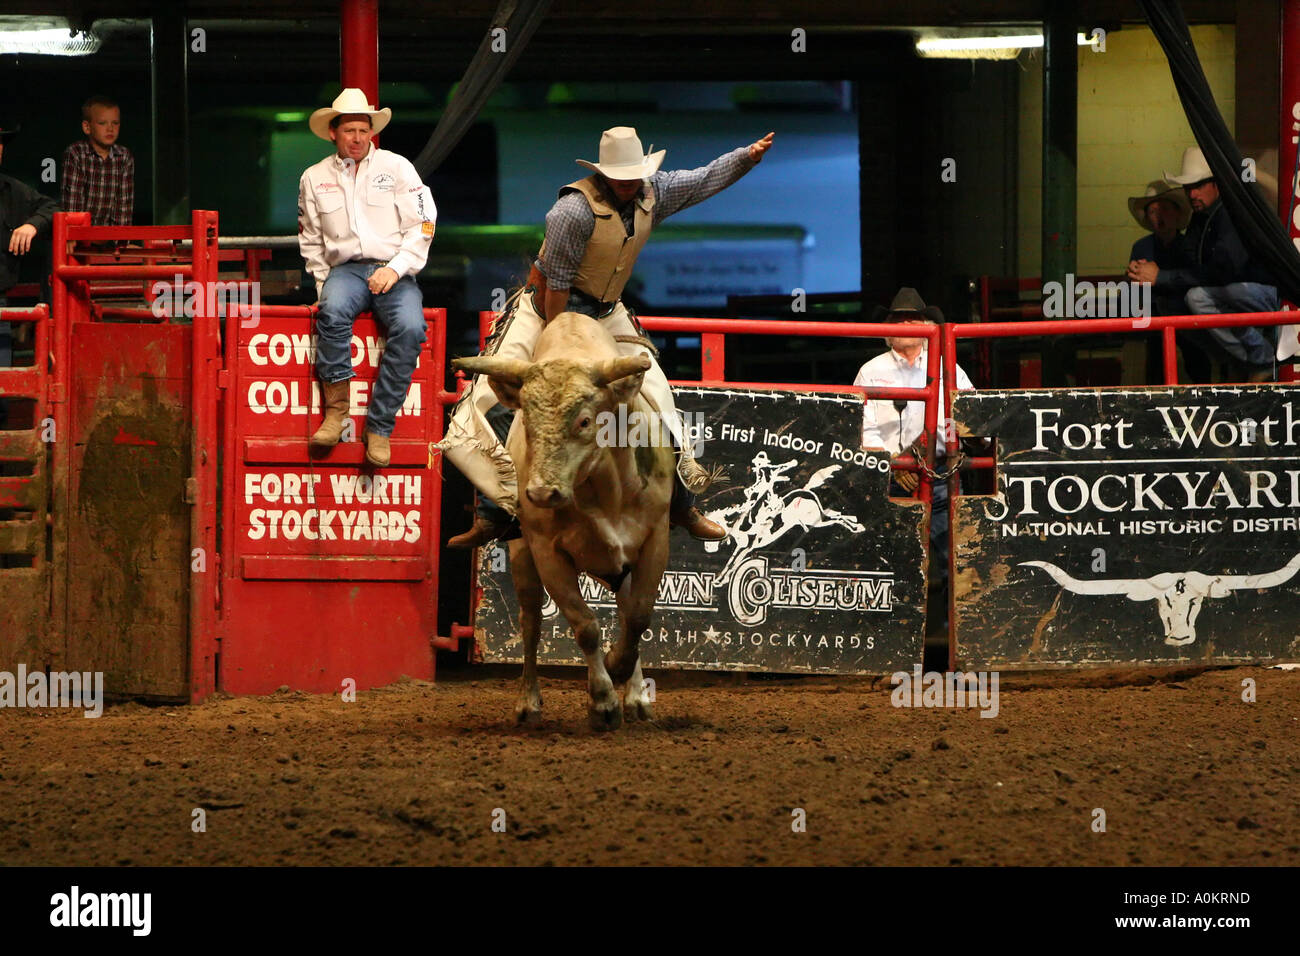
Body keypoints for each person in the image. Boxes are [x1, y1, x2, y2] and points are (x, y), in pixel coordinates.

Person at [442, 125, 774, 548]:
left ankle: (681, 504)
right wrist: (557, 346)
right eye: (620, 175)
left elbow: (704, 178)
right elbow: (555, 284)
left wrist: (746, 156)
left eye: (633, 174)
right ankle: (498, 512)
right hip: (548, 309)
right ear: (603, 174)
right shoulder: (571, 212)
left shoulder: (653, 193)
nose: (628, 182)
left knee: (658, 395)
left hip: (606, 310)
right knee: (488, 398)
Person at [296, 88, 436, 468]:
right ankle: (336, 412)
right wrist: (323, 284)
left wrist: (397, 267)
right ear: (333, 133)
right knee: (332, 311)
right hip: (346, 270)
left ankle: (379, 426)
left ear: (371, 132)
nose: (357, 138)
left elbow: (425, 222)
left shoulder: (397, 167)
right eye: (349, 131)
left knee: (410, 327)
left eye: (363, 130)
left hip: (395, 267)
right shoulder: (314, 177)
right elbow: (310, 237)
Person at [854, 288, 973, 631]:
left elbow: (967, 416)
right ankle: (894, 636)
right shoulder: (871, 371)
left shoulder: (947, 368)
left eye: (913, 317)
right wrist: (894, 463)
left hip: (938, 475)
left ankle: (951, 635)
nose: (906, 322)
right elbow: (864, 429)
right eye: (898, 317)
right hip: (888, 478)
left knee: (953, 552)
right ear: (887, 328)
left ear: (926, 325)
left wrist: (926, 449)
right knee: (889, 558)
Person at [1127, 147, 1279, 381]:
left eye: (1198, 186)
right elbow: (1192, 263)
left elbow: (1226, 271)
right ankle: (1248, 360)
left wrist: (1161, 277)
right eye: (1188, 188)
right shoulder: (1198, 221)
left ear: (1216, 185)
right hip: (1232, 297)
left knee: (1204, 296)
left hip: (1262, 293)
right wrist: (1144, 274)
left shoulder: (1231, 212)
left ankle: (1262, 359)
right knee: (1178, 307)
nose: (1192, 194)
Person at [1125, 179, 1210, 382]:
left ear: (1177, 213)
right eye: (1153, 212)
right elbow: (1132, 292)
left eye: (1164, 209)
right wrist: (1132, 275)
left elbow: (1198, 279)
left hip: (1188, 319)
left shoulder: (1190, 244)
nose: (1159, 217)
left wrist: (1159, 278)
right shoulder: (1141, 247)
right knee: (1153, 359)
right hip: (1152, 322)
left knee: (1198, 361)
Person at [1, 122, 59, 384]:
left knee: (2, 389)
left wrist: (31, 225)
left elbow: (50, 207)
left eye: (0, 144)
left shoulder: (11, 190)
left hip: (0, 305)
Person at [60, 95, 134, 227]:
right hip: (78, 237)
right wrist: (74, 237)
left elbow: (123, 208)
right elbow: (72, 205)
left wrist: (120, 243)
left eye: (115, 123)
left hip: (109, 239)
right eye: (102, 123)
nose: (110, 128)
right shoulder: (76, 154)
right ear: (87, 127)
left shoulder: (124, 157)